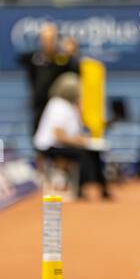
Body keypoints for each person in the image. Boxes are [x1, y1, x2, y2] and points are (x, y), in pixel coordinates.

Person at [33, 72, 111, 200]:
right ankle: (81, 188)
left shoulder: (70, 107)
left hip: (62, 144)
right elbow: (59, 135)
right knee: (83, 153)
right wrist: (82, 143)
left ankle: (103, 188)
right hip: (49, 146)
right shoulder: (57, 105)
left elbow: (75, 133)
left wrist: (87, 141)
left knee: (94, 152)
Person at [18, 22, 79, 135]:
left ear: (56, 40)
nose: (48, 43)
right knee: (37, 136)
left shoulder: (62, 60)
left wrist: (71, 54)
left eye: (51, 39)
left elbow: (75, 71)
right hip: (39, 103)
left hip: (57, 105)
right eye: (45, 39)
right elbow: (20, 59)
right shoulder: (34, 58)